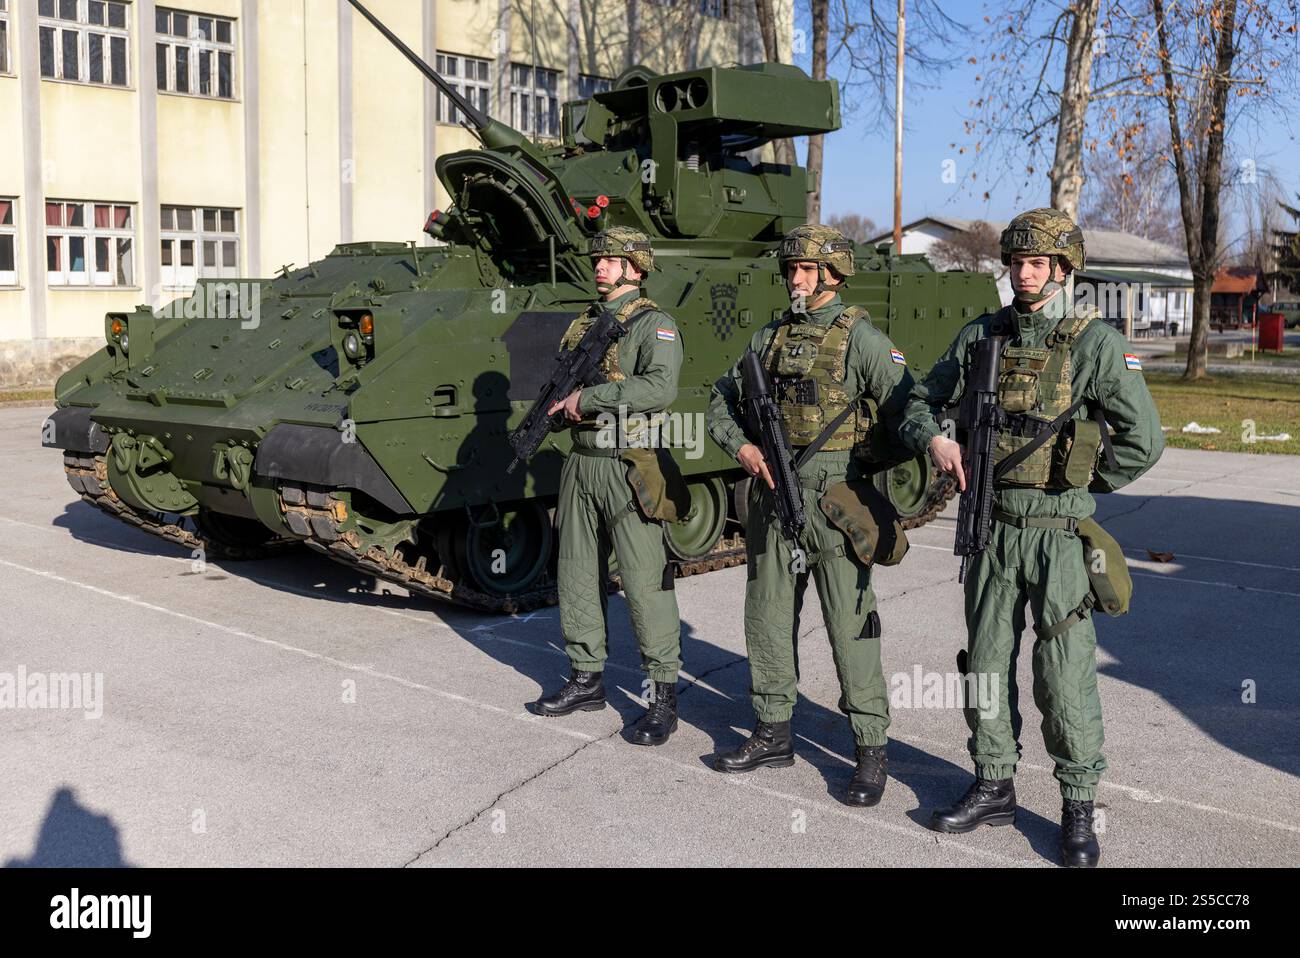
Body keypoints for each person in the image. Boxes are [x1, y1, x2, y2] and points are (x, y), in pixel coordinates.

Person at [897, 208, 1165, 866]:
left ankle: (1077, 803)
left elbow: (1145, 442)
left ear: (1065, 270)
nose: (1023, 273)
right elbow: (917, 399)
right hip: (989, 525)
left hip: (1056, 533)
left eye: (1037, 263)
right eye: (1015, 262)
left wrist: (1084, 483)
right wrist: (934, 437)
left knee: (1064, 672)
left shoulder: (1094, 343)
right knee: (985, 663)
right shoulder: (980, 335)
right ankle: (993, 783)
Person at [705, 224, 915, 806]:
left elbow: (909, 407)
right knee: (768, 615)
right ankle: (773, 731)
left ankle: (870, 749)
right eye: (789, 269)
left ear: (834, 273)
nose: (794, 278)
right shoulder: (768, 338)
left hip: (834, 499)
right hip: (773, 493)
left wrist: (862, 465)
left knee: (851, 624)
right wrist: (743, 449)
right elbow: (718, 398)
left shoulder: (863, 340)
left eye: (805, 269)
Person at [534, 227, 686, 747]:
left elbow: (660, 388)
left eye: (612, 260)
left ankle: (663, 695)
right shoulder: (583, 323)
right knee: (575, 572)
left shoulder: (654, 324)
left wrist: (590, 398)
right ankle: (585, 678)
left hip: (629, 460)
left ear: (636, 268)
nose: (600, 266)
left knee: (645, 581)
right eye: (598, 258)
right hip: (581, 460)